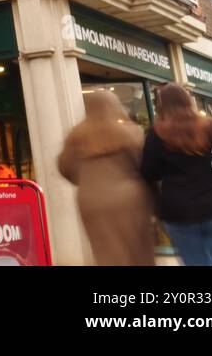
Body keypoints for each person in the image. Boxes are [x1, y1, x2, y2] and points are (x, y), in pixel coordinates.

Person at [140, 84, 212, 266]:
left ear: (160, 105)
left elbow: (149, 173)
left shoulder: (156, 135)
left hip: (179, 214)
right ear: (188, 101)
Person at [57, 91, 154, 265]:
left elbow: (64, 167)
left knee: (105, 250)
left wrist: (86, 180)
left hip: (91, 200)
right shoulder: (131, 132)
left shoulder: (75, 136)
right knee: (138, 250)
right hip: (129, 198)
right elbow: (143, 166)